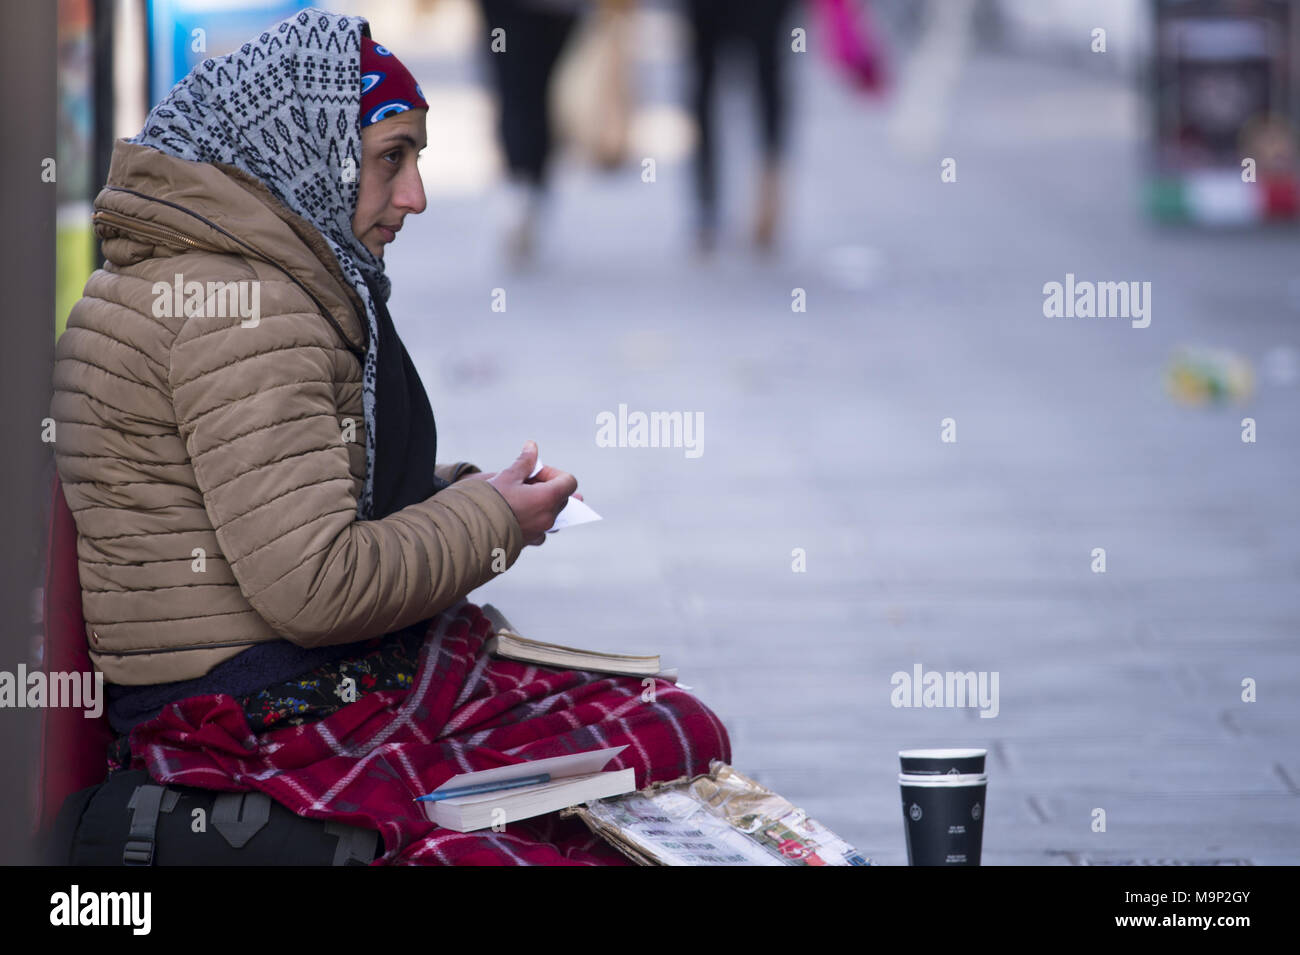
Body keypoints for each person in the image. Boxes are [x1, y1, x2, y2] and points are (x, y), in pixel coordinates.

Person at [49, 8, 729, 865]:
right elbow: (316, 586)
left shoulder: (210, 274)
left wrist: (463, 495)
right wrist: (491, 526)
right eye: (390, 160)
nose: (415, 196)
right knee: (658, 740)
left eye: (416, 159)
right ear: (307, 151)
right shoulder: (248, 309)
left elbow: (278, 493)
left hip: (250, 694)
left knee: (654, 733)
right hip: (260, 724)